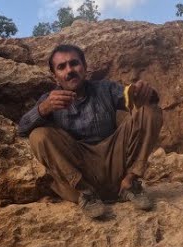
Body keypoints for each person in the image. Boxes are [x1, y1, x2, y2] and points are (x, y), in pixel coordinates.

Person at [17, 44, 162, 220]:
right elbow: (22, 129)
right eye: (61, 67)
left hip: (115, 161)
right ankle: (86, 194)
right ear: (55, 76)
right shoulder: (50, 100)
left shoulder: (105, 88)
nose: (69, 70)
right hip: (80, 172)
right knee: (38, 135)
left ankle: (130, 184)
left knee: (149, 110)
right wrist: (44, 108)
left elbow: (135, 99)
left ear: (84, 67)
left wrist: (146, 92)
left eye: (74, 63)